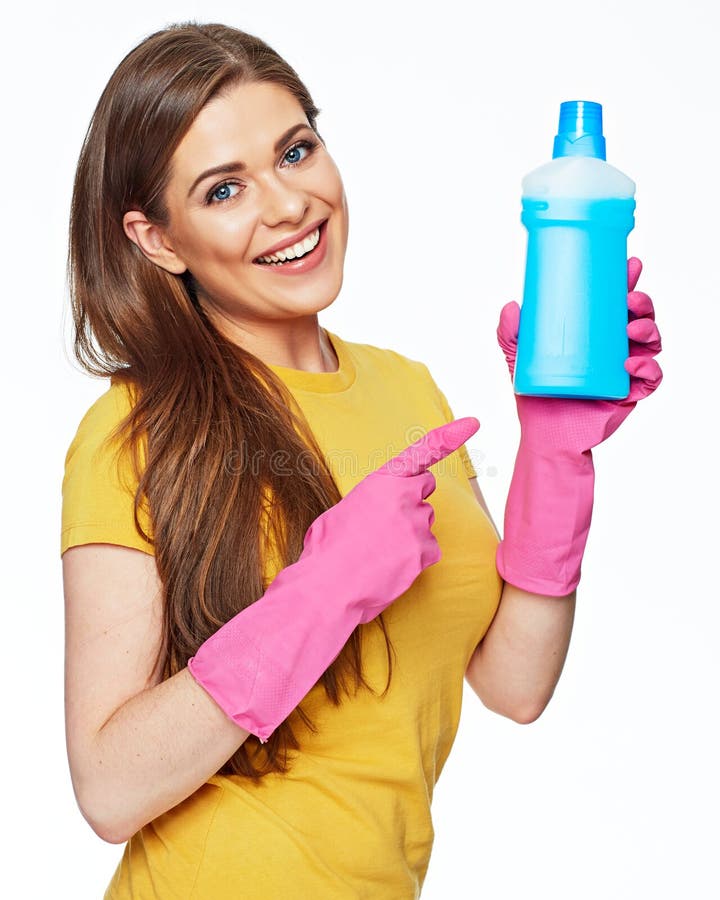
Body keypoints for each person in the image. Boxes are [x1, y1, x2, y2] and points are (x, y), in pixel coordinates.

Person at [60, 21, 663, 900]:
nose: (286, 205)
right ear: (159, 241)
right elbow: (109, 787)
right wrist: (322, 590)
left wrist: (556, 450)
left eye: (295, 152)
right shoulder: (134, 432)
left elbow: (515, 682)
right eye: (225, 190)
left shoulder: (408, 392)